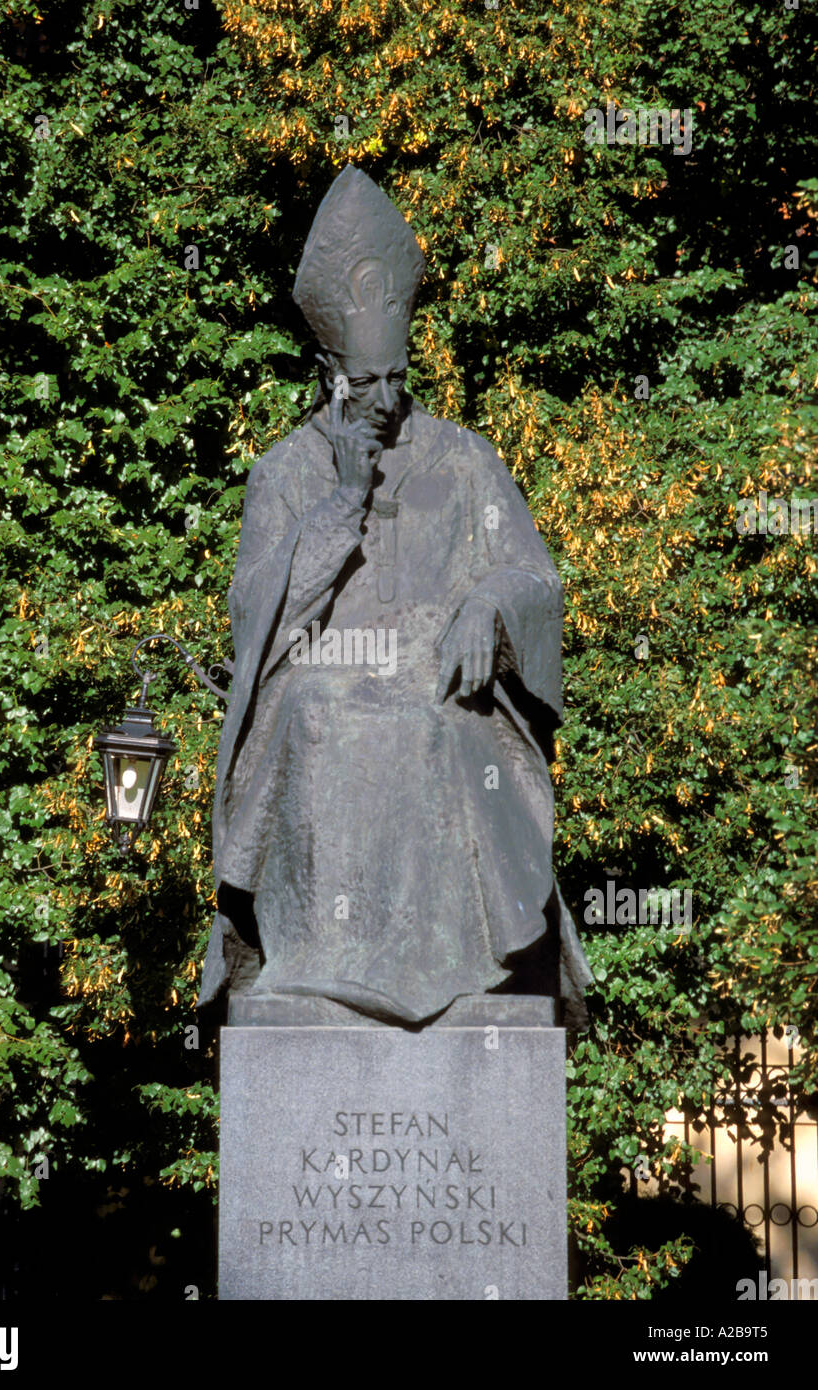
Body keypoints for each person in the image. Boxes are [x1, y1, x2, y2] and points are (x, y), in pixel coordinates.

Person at [198, 165, 591, 1027]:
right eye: (362, 383)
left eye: (394, 377)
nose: (382, 398)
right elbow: (258, 623)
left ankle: (457, 968)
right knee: (309, 708)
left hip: (435, 677)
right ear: (325, 368)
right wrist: (340, 500)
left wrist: (488, 607)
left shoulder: (460, 459)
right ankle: (318, 961)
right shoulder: (286, 472)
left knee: (447, 724)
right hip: (321, 674)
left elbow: (534, 578)